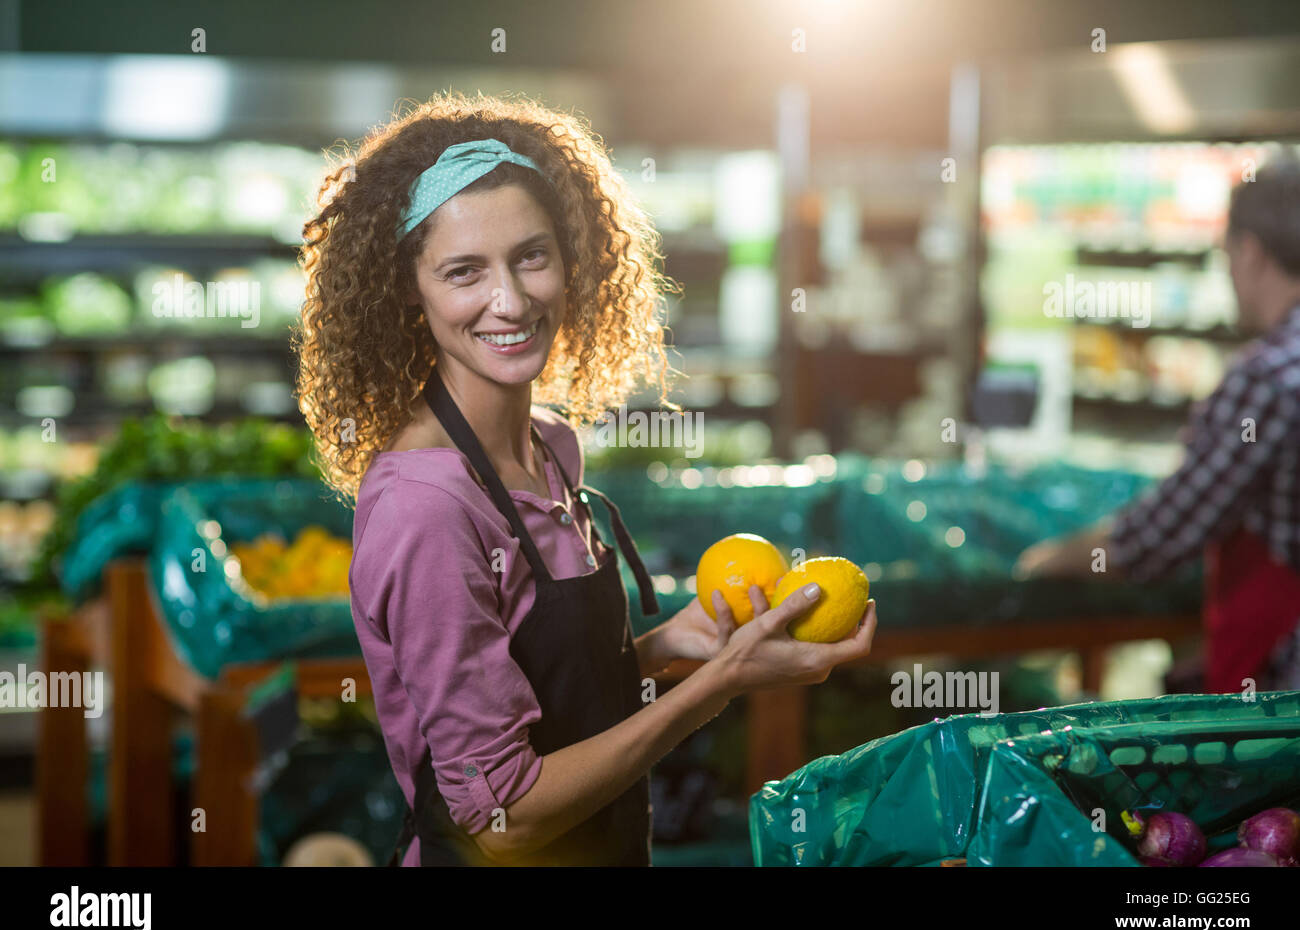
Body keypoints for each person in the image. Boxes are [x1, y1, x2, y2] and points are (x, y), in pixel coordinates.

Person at [294, 92, 876, 866]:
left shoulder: (552, 448)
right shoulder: (426, 508)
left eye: (531, 256)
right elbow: (504, 818)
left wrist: (672, 648)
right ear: (410, 290)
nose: (510, 300)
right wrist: (720, 687)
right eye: (464, 271)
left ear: (570, 255)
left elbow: (549, 703)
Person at [1014, 160, 1300, 694]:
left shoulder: (1270, 378)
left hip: (1284, 689)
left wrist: (1047, 560)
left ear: (1251, 252)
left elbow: (1161, 535)